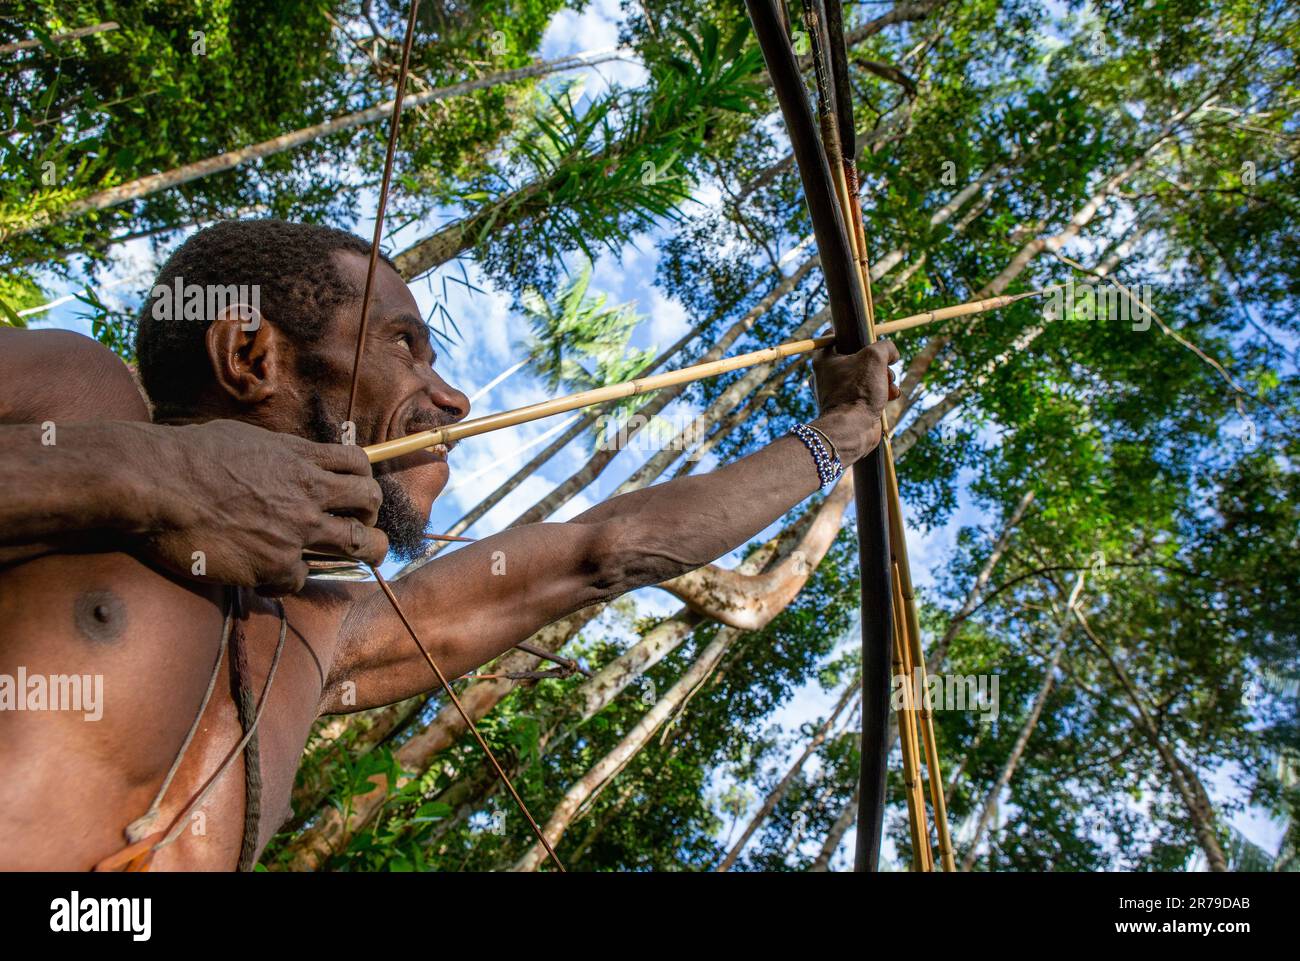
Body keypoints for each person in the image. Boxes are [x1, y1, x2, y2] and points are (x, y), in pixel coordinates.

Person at [0, 218, 898, 870]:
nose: (454, 399)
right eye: (406, 345)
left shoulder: (328, 630)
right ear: (250, 355)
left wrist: (840, 434)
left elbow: (604, 547)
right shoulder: (76, 401)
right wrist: (147, 480)